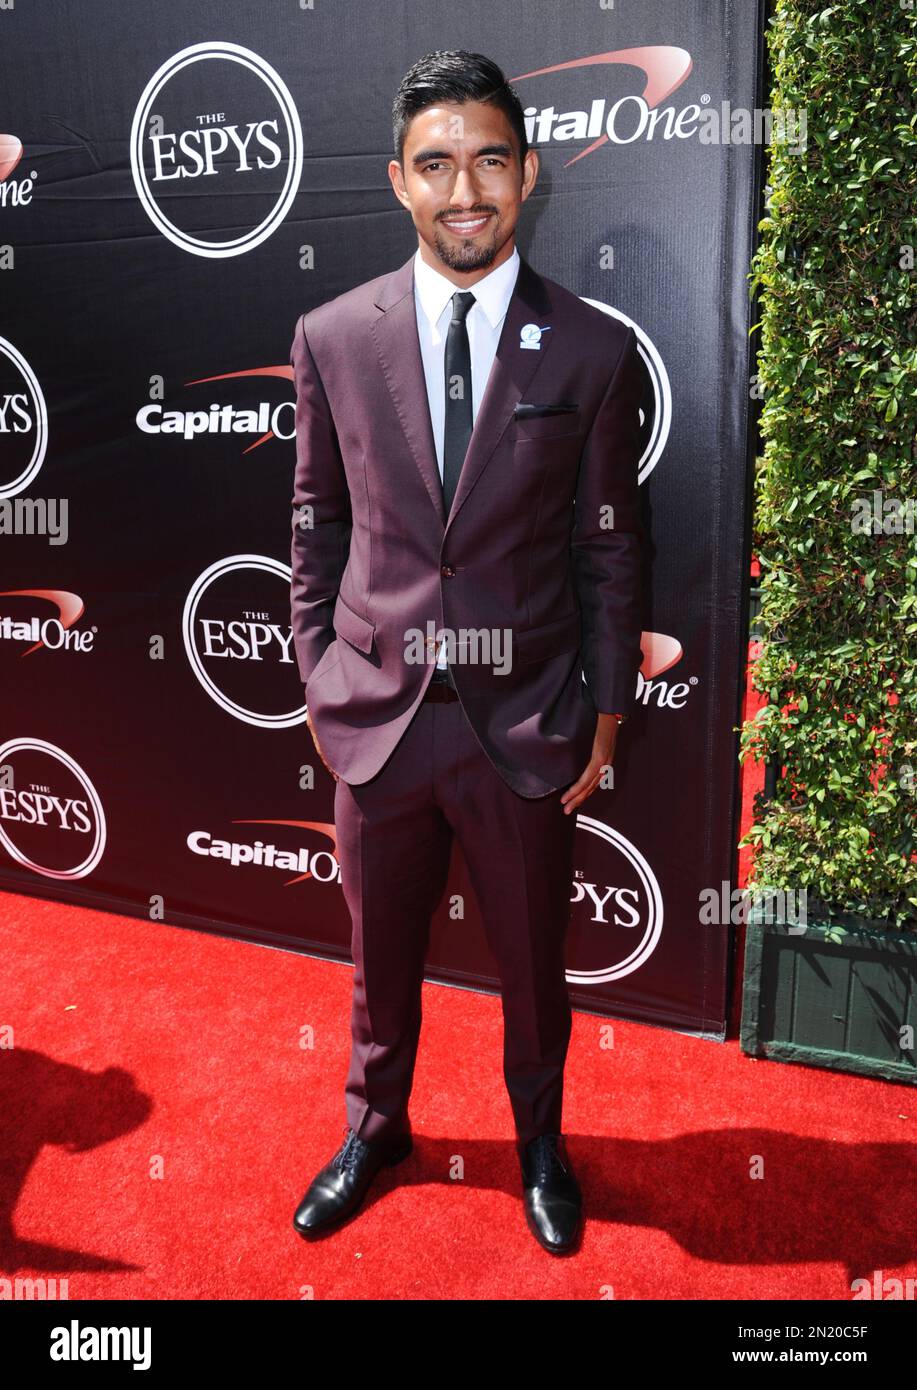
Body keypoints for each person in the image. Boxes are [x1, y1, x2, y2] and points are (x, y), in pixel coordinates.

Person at [288, 49, 644, 1255]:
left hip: (524, 720)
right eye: (434, 164)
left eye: (488, 160)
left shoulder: (590, 350)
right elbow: (315, 524)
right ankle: (374, 1126)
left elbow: (608, 547)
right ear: (398, 180)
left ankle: (539, 1142)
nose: (464, 191)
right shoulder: (333, 336)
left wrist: (603, 713)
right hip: (377, 715)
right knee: (375, 957)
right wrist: (318, 673)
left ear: (527, 173)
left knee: (533, 963)